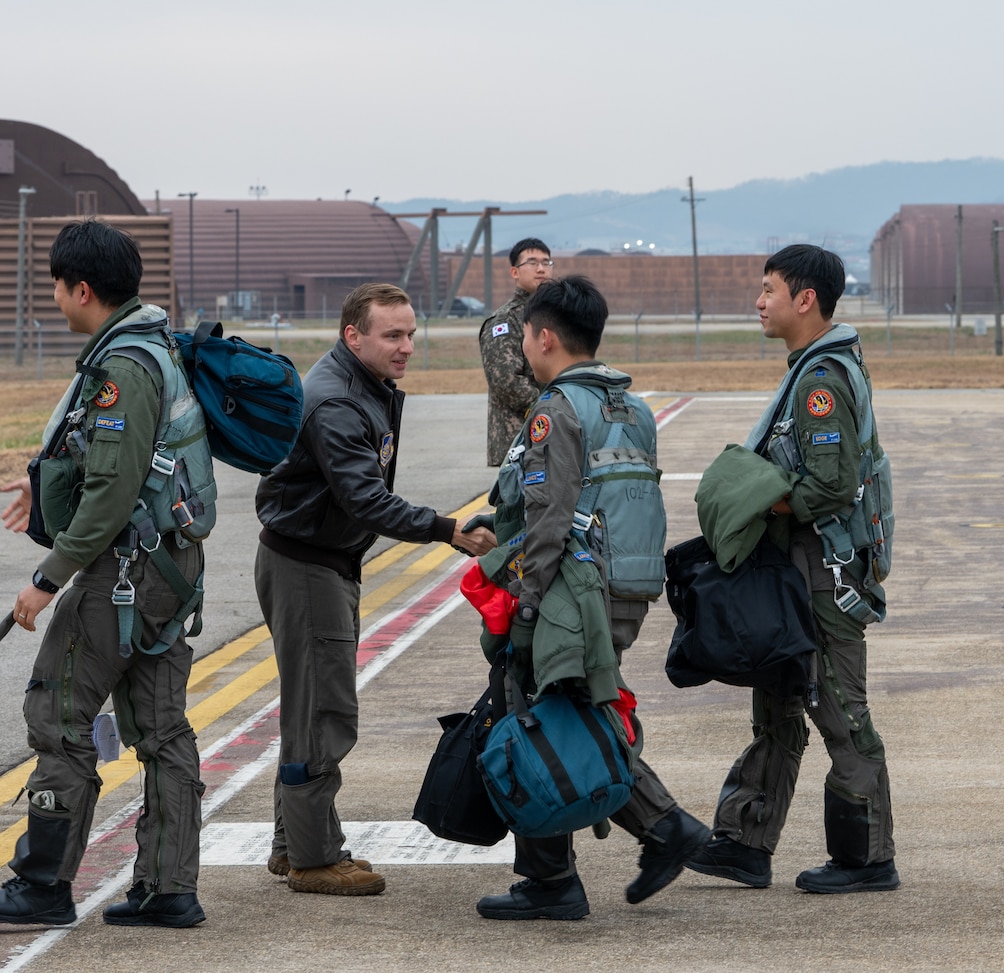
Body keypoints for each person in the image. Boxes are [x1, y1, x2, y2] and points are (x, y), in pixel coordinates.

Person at [0, 219, 211, 928]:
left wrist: (47, 579)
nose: (55, 299)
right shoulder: (151, 345)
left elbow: (111, 492)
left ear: (80, 289)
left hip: (126, 571)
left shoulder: (122, 367)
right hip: (169, 563)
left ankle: (44, 882)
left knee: (59, 712)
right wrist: (41, 485)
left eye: (55, 287)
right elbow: (118, 464)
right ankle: (169, 887)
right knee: (162, 726)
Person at [474, 275, 708, 921]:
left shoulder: (557, 409)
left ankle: (569, 873)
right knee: (569, 710)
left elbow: (548, 517)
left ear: (545, 336)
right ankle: (644, 835)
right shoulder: (629, 406)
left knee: (533, 714)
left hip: (570, 591)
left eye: (526, 333)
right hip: (624, 583)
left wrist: (524, 598)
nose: (522, 343)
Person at [254, 282, 495, 895]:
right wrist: (445, 530)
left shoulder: (364, 386)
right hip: (308, 568)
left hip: (318, 561)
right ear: (352, 335)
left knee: (307, 709)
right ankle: (313, 859)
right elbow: (364, 499)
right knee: (324, 713)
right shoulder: (336, 402)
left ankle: (294, 844)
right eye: (392, 334)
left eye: (411, 332)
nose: (407, 345)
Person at [685, 244, 900, 894]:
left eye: (770, 288)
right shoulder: (811, 367)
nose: (760, 300)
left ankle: (867, 855)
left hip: (823, 572)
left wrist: (762, 495)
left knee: (839, 708)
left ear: (805, 299)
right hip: (796, 569)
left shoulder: (819, 382)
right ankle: (745, 841)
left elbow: (830, 487)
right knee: (778, 702)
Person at [479, 237, 553, 465]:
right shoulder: (506, 320)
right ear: (515, 272)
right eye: (532, 263)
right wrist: (552, 407)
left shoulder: (554, 316)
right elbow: (505, 380)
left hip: (553, 435)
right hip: (518, 440)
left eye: (546, 262)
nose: (541, 269)